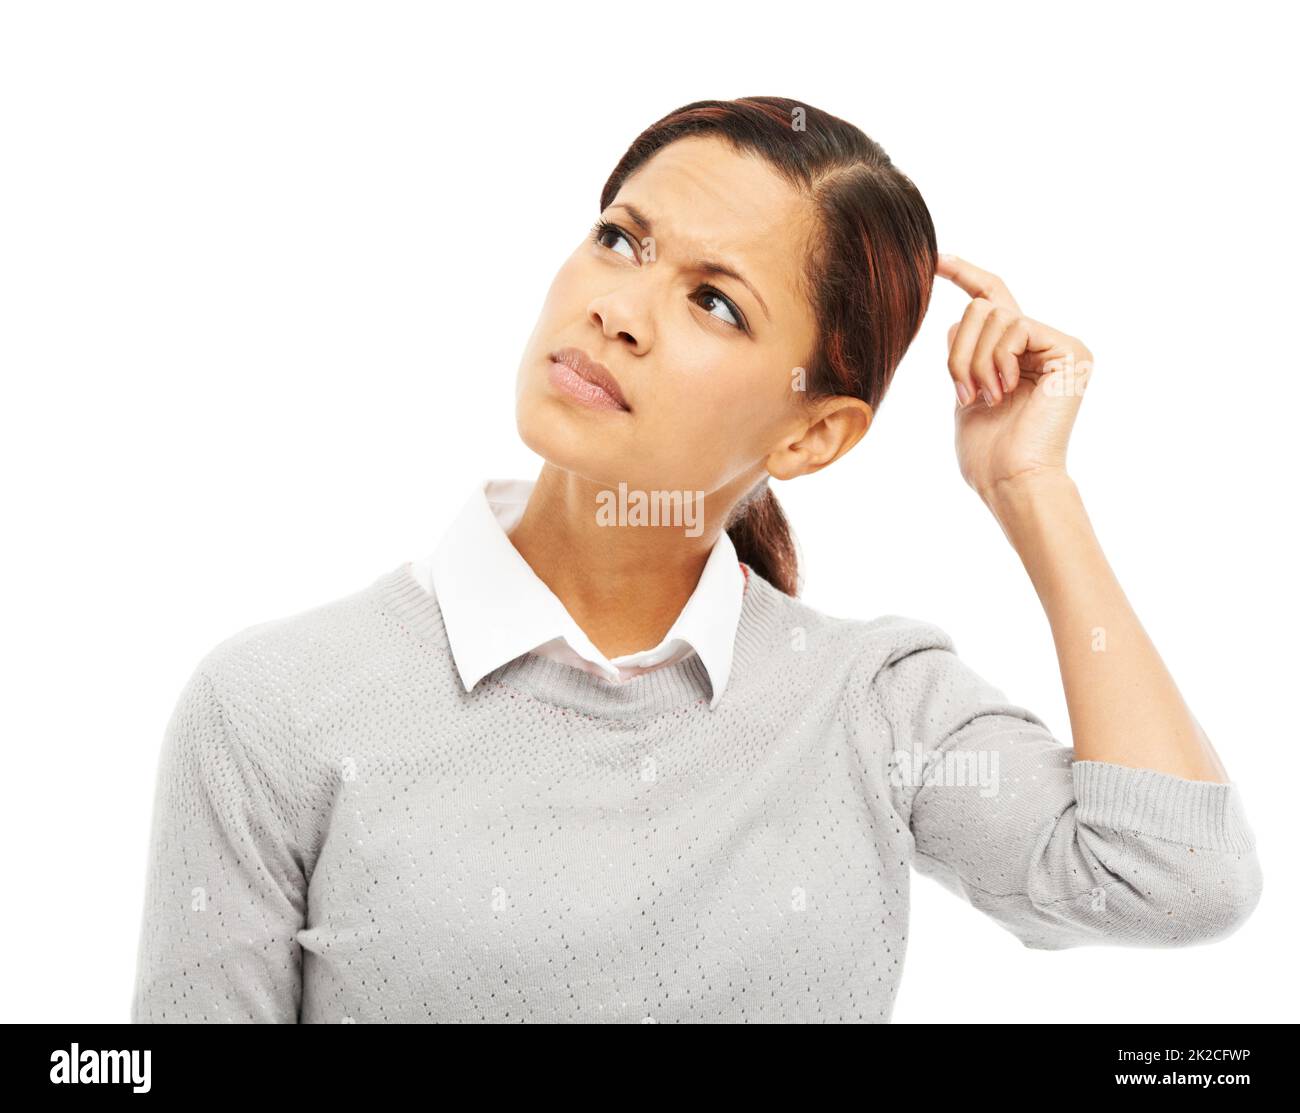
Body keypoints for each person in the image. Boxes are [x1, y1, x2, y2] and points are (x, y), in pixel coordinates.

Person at [130, 96, 1262, 1024]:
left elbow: (1173, 875)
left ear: (811, 434)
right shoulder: (276, 707)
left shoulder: (871, 711)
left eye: (715, 302)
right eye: (621, 238)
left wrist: (1032, 490)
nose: (619, 308)